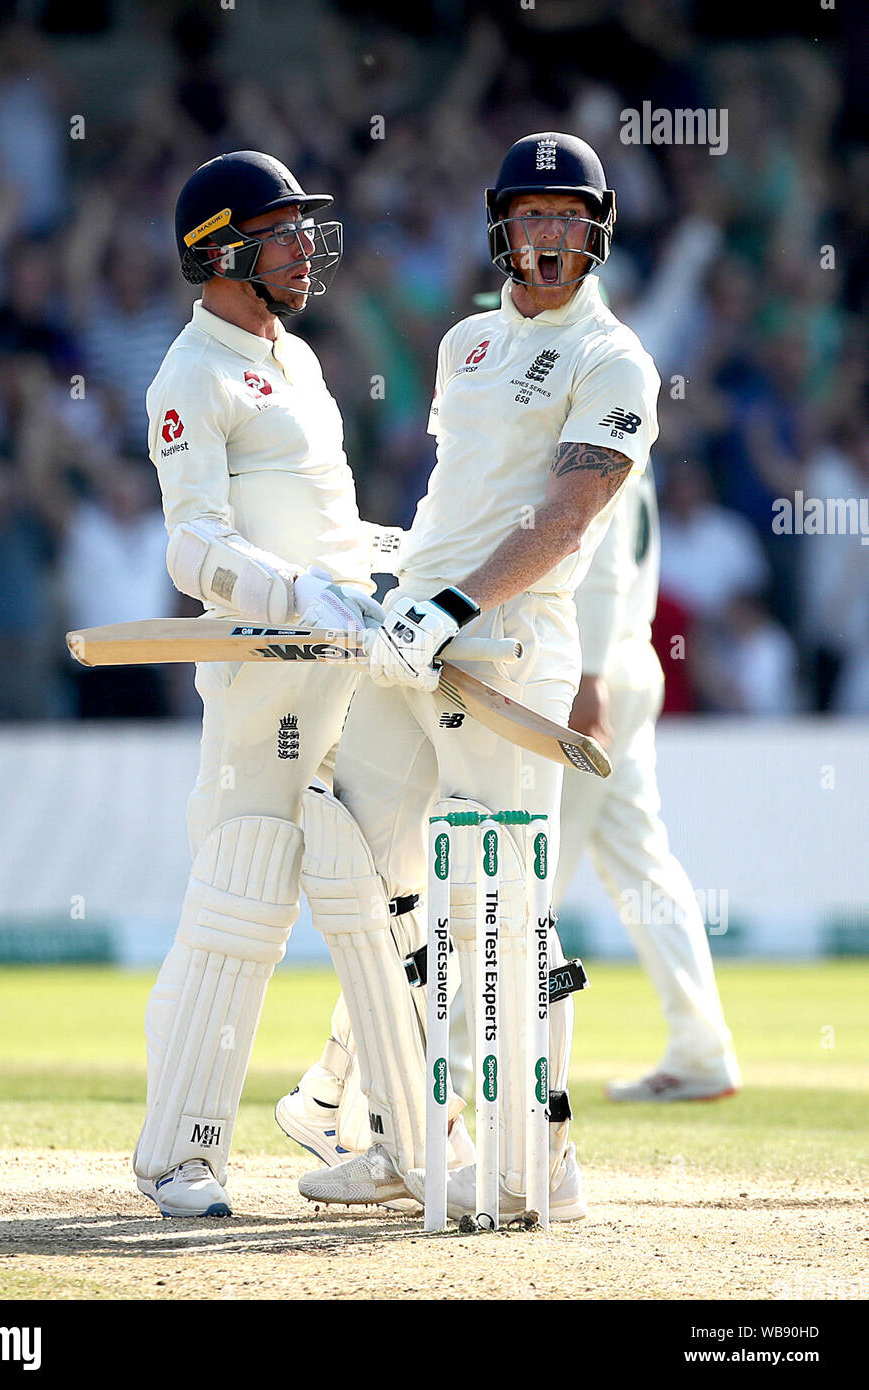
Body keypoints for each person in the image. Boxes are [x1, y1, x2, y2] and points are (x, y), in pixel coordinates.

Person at [284, 133, 660, 1224]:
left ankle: (541, 1151)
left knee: (495, 902)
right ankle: (416, 1135)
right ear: (501, 222)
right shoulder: (464, 344)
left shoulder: (615, 359)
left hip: (509, 645)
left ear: (596, 232)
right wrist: (397, 579)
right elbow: (463, 503)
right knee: (353, 862)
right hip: (412, 636)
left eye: (567, 218)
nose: (547, 238)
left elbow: (566, 513)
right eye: (530, 215)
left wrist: (455, 604)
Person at [133, 150, 383, 1217]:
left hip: (345, 661)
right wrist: (289, 590)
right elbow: (191, 546)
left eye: (300, 229)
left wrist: (397, 559)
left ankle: (361, 1117)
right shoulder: (190, 374)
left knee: (386, 885)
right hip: (264, 675)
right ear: (221, 251)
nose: (302, 249)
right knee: (242, 899)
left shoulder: (303, 361)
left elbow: (326, 528)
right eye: (279, 232)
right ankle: (179, 1155)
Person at [554, 466, 741, 1101]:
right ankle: (701, 1049)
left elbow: (601, 562)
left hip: (590, 672)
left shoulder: (597, 401)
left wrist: (588, 675)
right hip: (621, 663)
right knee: (642, 867)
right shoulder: (622, 411)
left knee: (527, 871)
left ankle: (460, 1067)